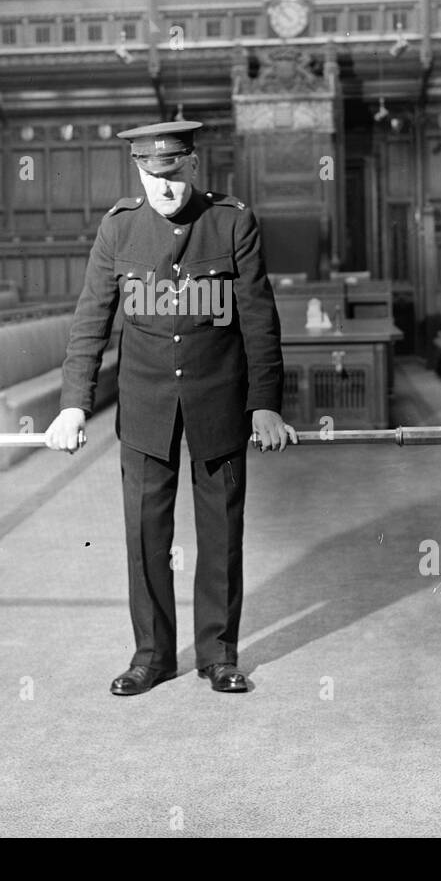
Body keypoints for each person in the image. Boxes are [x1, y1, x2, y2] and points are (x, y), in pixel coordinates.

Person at [46, 119, 297, 695]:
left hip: (219, 398)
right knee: (144, 533)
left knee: (220, 532)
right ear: (138, 171)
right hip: (145, 401)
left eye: (175, 175)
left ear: (192, 165)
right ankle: (152, 655)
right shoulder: (118, 230)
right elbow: (91, 321)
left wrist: (265, 404)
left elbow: (260, 321)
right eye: (152, 176)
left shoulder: (232, 221)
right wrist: (72, 405)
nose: (165, 188)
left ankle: (219, 655)